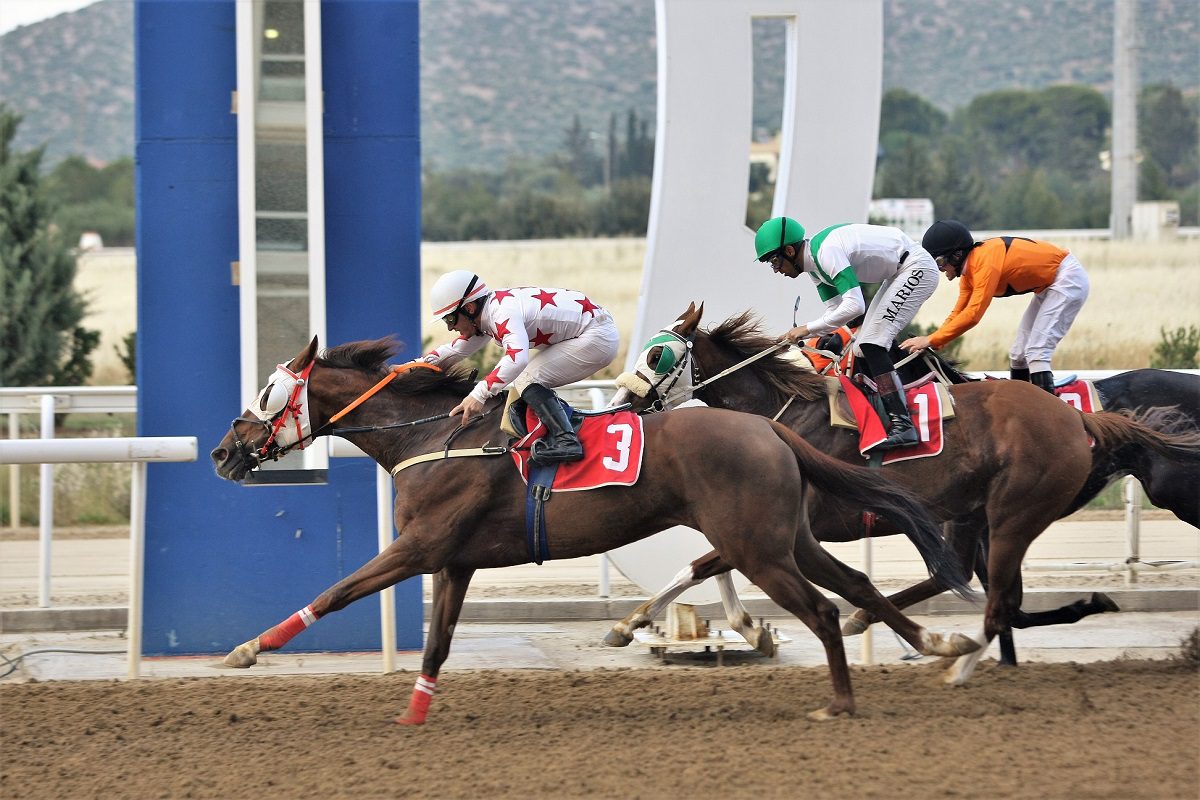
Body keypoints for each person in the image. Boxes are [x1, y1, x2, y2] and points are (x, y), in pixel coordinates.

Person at [754, 217, 940, 451]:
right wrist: (799, 337)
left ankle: (903, 425)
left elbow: (855, 306)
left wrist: (805, 329)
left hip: (917, 268)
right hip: (899, 273)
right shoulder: (815, 269)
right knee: (861, 348)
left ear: (789, 251)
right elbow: (836, 312)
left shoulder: (826, 253)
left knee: (872, 344)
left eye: (774, 261)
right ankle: (887, 410)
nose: (775, 270)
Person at [422, 270, 620, 464]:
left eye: (450, 319)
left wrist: (479, 394)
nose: (450, 327)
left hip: (597, 336)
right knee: (525, 379)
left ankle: (566, 441)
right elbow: (456, 350)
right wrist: (414, 366)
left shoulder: (500, 313)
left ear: (470, 308)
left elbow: (517, 358)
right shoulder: (488, 313)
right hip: (593, 328)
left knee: (527, 378)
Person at [899, 220, 1090, 394]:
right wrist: (935, 342)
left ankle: (1045, 413)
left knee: (1037, 352)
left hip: (1067, 279)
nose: (940, 269)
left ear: (956, 255)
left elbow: (973, 315)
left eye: (939, 262)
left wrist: (930, 339)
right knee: (1018, 355)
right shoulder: (969, 272)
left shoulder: (984, 263)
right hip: (1048, 285)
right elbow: (958, 312)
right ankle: (1020, 403)